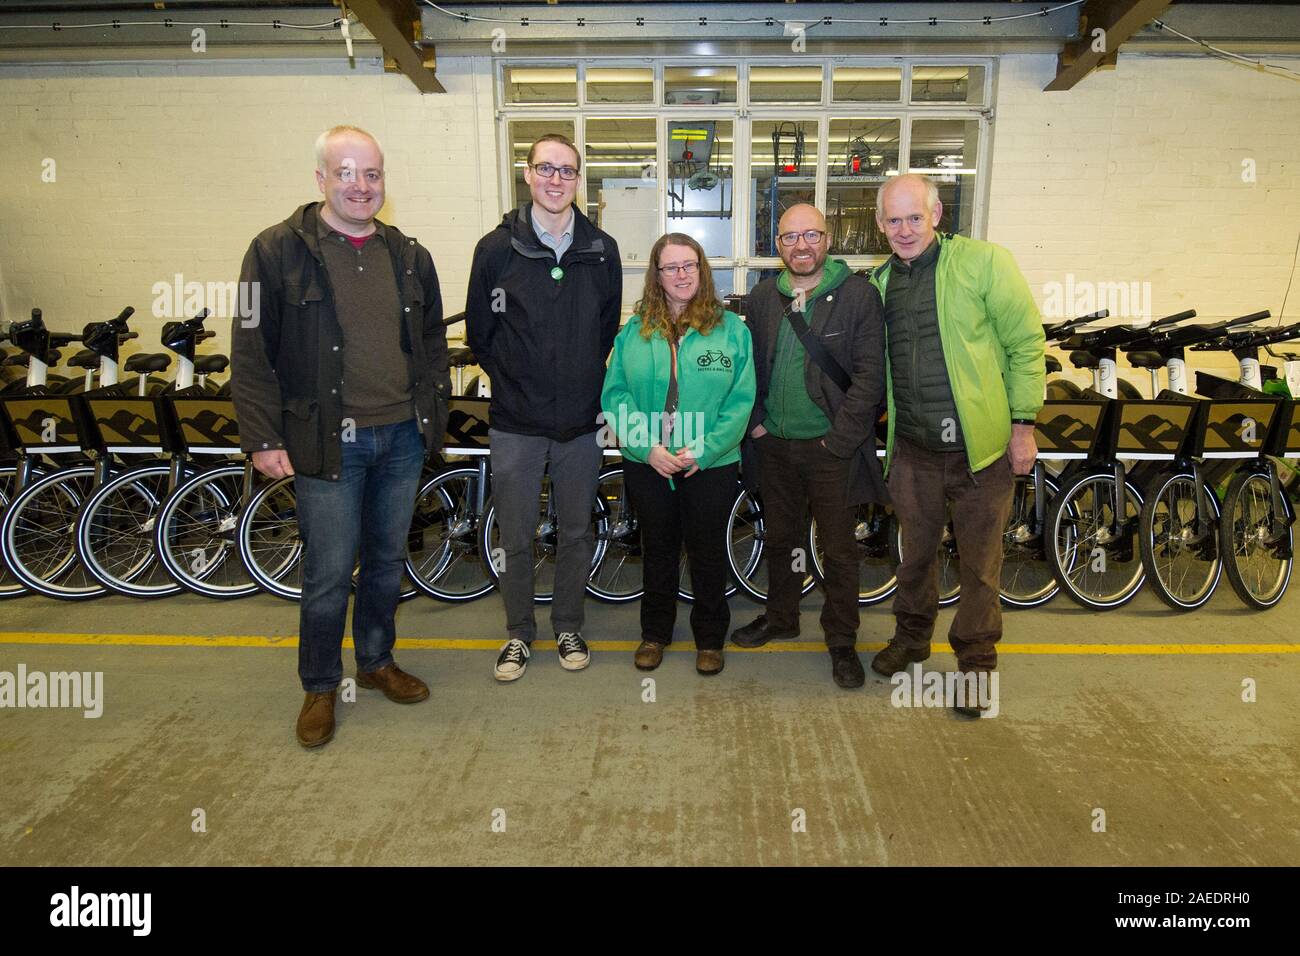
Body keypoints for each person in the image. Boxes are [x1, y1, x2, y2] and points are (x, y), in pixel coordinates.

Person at [231, 125, 450, 748]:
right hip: (326, 442)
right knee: (329, 571)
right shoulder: (272, 252)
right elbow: (249, 350)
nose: (361, 185)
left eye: (372, 174)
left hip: (401, 436)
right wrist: (262, 436)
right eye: (347, 173)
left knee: (387, 561)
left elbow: (432, 343)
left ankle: (376, 662)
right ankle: (320, 685)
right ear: (321, 178)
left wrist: (429, 408)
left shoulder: (410, 255)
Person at [867, 174, 1044, 717]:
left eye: (914, 218)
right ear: (880, 225)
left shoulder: (984, 263)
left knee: (979, 564)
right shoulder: (878, 284)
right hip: (914, 451)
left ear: (937, 214)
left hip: (981, 450)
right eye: (893, 221)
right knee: (914, 557)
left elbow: (1025, 342)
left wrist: (1022, 424)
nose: (904, 230)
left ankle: (976, 664)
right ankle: (913, 638)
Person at [465, 133, 623, 682]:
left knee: (576, 529)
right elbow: (481, 334)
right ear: (528, 175)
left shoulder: (602, 250)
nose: (556, 180)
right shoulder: (495, 250)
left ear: (579, 179)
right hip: (516, 424)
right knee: (516, 532)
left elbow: (606, 330)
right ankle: (517, 633)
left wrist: (578, 380)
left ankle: (568, 623)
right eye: (546, 169)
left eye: (567, 171)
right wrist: (518, 382)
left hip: (582, 424)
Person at [729, 203, 888, 689]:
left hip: (831, 450)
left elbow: (870, 376)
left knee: (839, 549)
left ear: (827, 238)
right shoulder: (762, 298)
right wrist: (755, 424)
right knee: (780, 539)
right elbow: (746, 366)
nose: (801, 245)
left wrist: (840, 440)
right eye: (790, 237)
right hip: (775, 446)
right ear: (778, 245)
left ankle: (841, 639)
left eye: (812, 235)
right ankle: (781, 617)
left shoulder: (858, 296)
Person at [600, 234, 755, 675]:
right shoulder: (635, 331)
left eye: (690, 265)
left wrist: (702, 450)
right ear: (657, 275)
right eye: (671, 267)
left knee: (708, 550)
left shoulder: (732, 330)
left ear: (702, 270)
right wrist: (647, 448)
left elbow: (740, 402)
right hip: (649, 461)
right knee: (659, 549)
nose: (682, 274)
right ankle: (654, 633)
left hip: (711, 462)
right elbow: (616, 395)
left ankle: (710, 638)